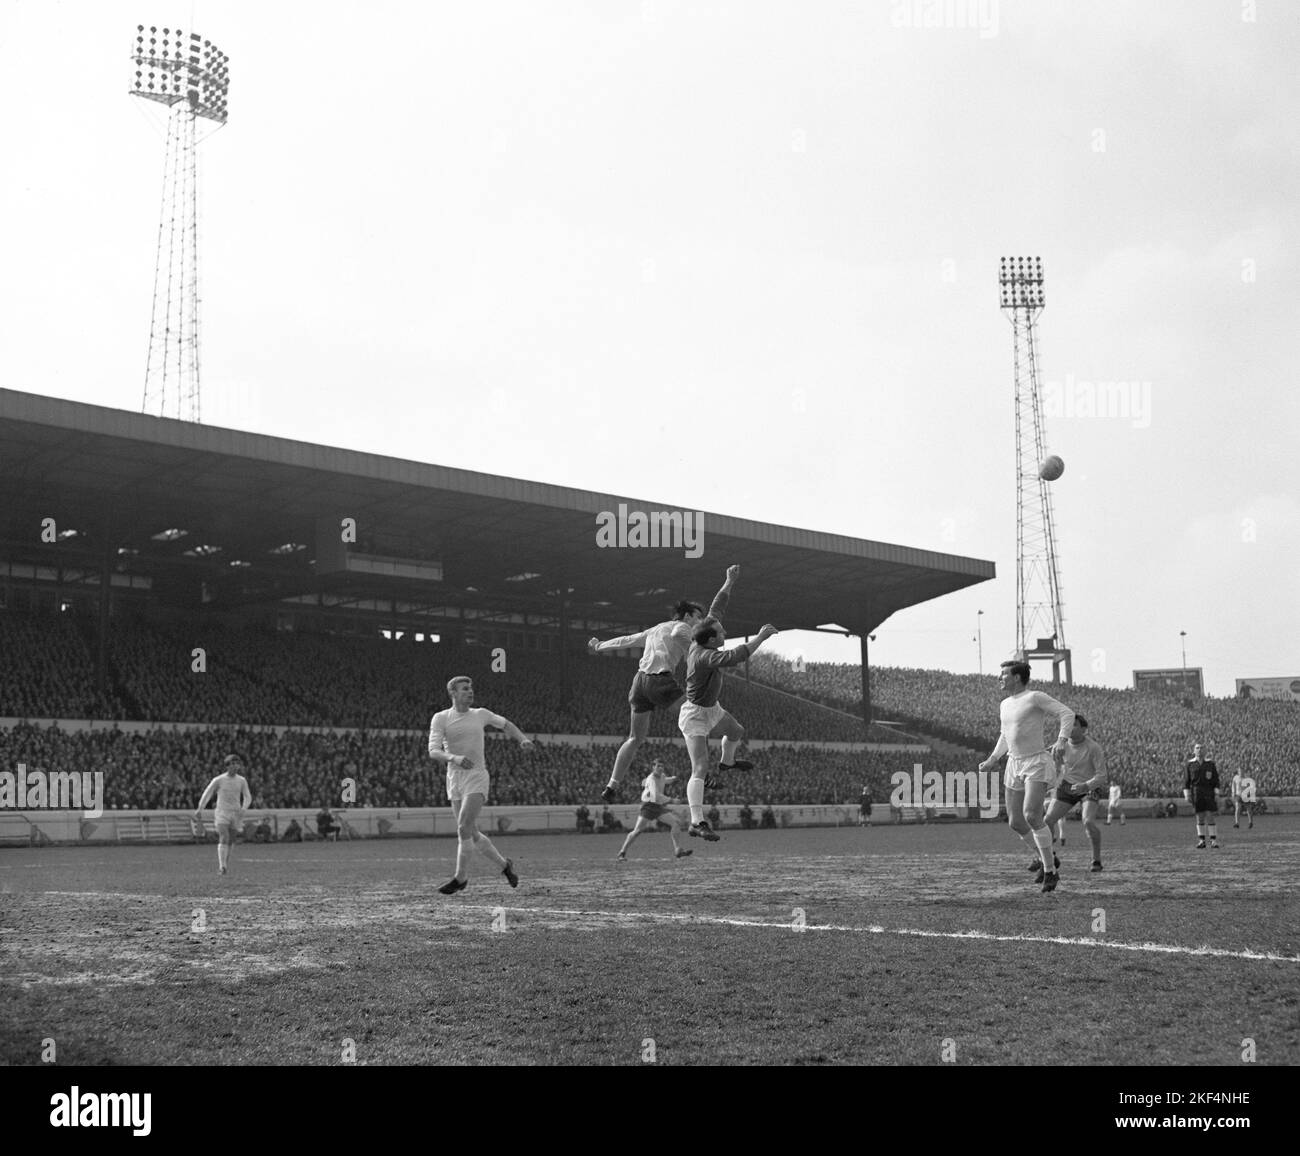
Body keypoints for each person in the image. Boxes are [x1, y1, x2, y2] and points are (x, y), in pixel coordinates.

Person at [589, 566, 739, 802]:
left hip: (639, 683)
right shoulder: (683, 627)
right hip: (660, 681)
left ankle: (611, 785)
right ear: (688, 616)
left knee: (634, 738)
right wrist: (697, 648)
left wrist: (600, 646)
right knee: (697, 719)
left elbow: (626, 641)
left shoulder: (656, 628)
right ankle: (704, 773)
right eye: (698, 617)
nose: (701, 622)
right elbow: (684, 633)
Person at [678, 574, 778, 840]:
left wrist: (729, 581)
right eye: (721, 633)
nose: (725, 633)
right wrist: (760, 638)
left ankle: (727, 763)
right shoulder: (704, 656)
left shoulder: (704, 635)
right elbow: (736, 656)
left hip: (711, 708)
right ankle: (697, 822)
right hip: (695, 715)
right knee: (699, 766)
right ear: (711, 640)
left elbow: (717, 606)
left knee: (736, 731)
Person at [428, 676, 535, 894]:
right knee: (471, 832)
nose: (470, 691)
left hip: (476, 776)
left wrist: (522, 739)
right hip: (454, 777)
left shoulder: (480, 714)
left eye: (471, 688)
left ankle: (460, 878)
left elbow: (506, 724)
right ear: (453, 693)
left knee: (463, 827)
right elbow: (433, 751)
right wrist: (454, 758)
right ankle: (505, 866)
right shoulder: (441, 718)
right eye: (464, 689)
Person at [978, 660, 1074, 893]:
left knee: (1031, 815)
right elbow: (1005, 735)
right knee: (1016, 822)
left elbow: (1067, 713)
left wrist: (1062, 740)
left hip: (1035, 762)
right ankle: (1046, 857)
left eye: (1004, 674)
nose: (1000, 678)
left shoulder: (1034, 697)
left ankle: (1050, 871)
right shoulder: (1004, 704)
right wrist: (993, 759)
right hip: (1014, 762)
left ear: (1017, 677)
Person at [1042, 714, 1109, 872]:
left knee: (1088, 822)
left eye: (1074, 725)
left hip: (1089, 787)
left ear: (1084, 729)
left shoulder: (1093, 748)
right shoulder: (1061, 745)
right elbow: (1048, 758)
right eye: (1067, 725)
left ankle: (1096, 860)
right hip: (1067, 786)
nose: (1069, 728)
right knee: (1048, 820)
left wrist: (1085, 786)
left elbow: (1102, 776)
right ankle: (1049, 857)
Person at [616, 759, 693, 861]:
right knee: (637, 831)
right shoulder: (651, 779)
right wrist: (672, 800)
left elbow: (665, 780)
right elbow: (655, 796)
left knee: (675, 824)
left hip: (657, 806)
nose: (660, 768)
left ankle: (677, 850)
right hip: (648, 806)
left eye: (662, 766)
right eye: (658, 766)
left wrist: (674, 778)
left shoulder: (662, 776)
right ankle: (622, 852)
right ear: (653, 767)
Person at [195, 753, 252, 876]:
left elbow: (247, 796)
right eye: (231, 764)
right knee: (224, 837)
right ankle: (222, 867)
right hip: (222, 812)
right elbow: (207, 793)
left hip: (235, 813)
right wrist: (200, 808)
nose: (234, 766)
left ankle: (225, 865)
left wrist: (244, 808)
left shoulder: (241, 780)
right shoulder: (219, 780)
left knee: (231, 840)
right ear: (227, 766)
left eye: (236, 763)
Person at [1183, 742, 1221, 849]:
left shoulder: (1210, 764)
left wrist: (1217, 793)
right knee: (1199, 817)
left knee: (1210, 815)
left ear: (1205, 751)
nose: (1199, 750)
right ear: (1194, 751)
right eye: (1197, 748)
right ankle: (1202, 840)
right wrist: (1187, 794)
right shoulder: (1189, 764)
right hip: (1196, 792)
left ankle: (1213, 840)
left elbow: (1216, 780)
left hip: (1208, 791)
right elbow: (1186, 781)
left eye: (1201, 748)